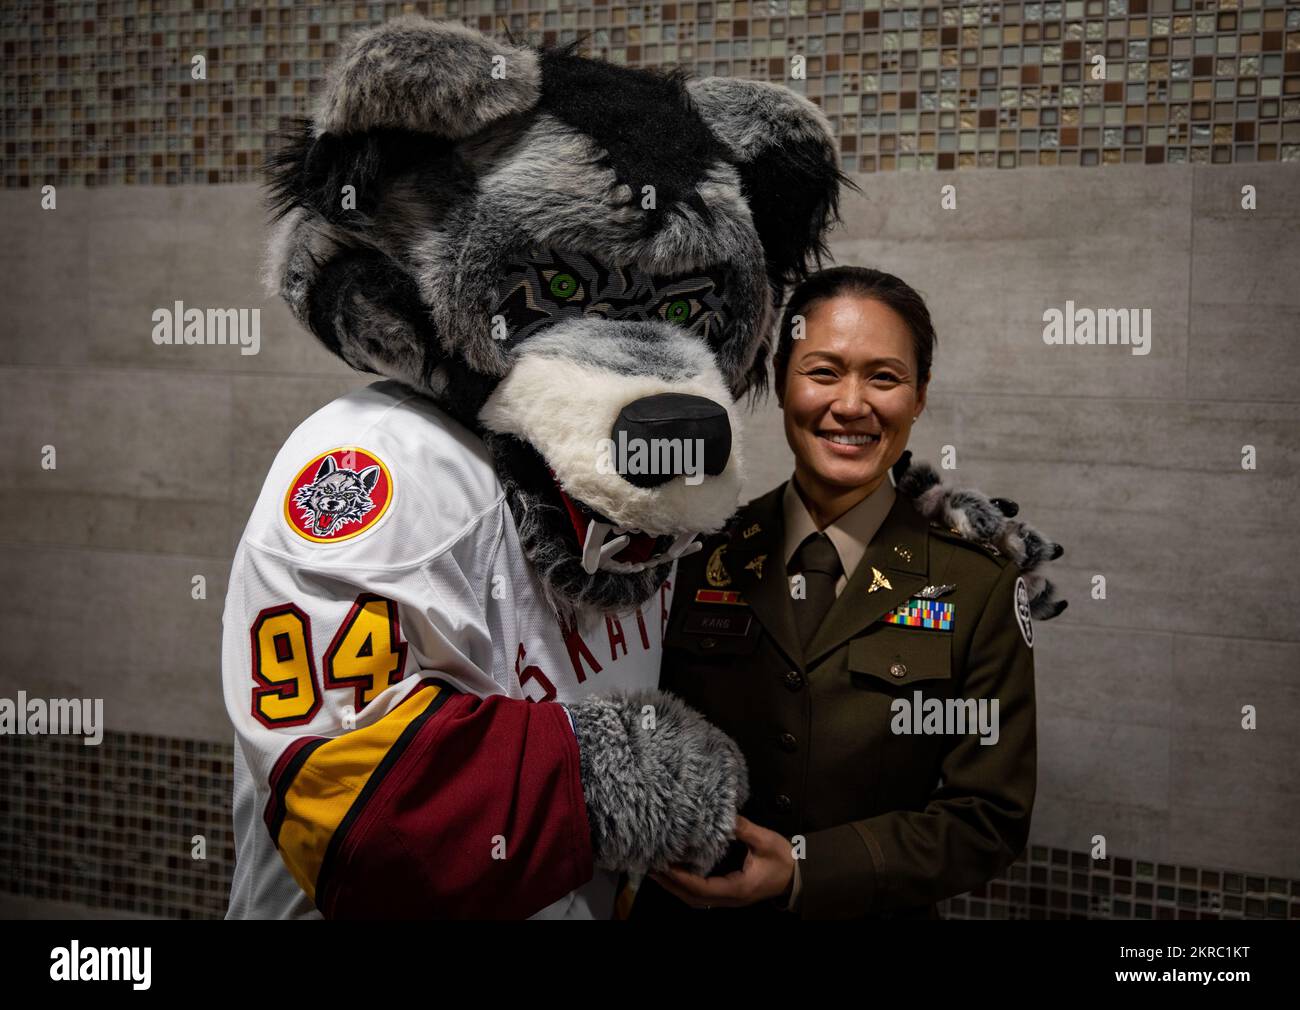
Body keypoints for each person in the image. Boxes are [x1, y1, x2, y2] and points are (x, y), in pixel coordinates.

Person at [631, 266, 1048, 919]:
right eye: (824, 372)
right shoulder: (692, 553)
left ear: (919, 396)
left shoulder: (977, 587)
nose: (851, 405)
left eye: (884, 378)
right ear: (780, 381)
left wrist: (805, 870)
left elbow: (986, 819)